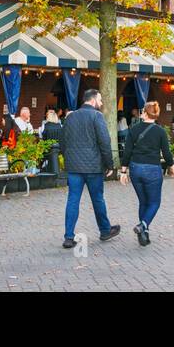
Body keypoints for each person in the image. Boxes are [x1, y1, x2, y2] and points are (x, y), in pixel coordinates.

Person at [60, 88, 120, 249]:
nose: (101, 103)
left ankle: (68, 236)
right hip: (93, 167)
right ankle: (105, 230)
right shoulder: (96, 116)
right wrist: (109, 165)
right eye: (100, 100)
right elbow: (104, 142)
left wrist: (68, 158)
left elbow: (63, 142)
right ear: (93, 100)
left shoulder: (70, 117)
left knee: (73, 200)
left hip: (74, 167)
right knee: (98, 199)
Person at [119, 100, 174, 246]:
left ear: (144, 112)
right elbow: (166, 152)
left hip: (136, 168)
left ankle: (144, 236)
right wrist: (171, 166)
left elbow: (127, 152)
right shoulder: (160, 131)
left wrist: (123, 171)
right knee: (154, 202)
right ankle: (142, 225)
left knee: (143, 202)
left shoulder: (134, 129)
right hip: (152, 169)